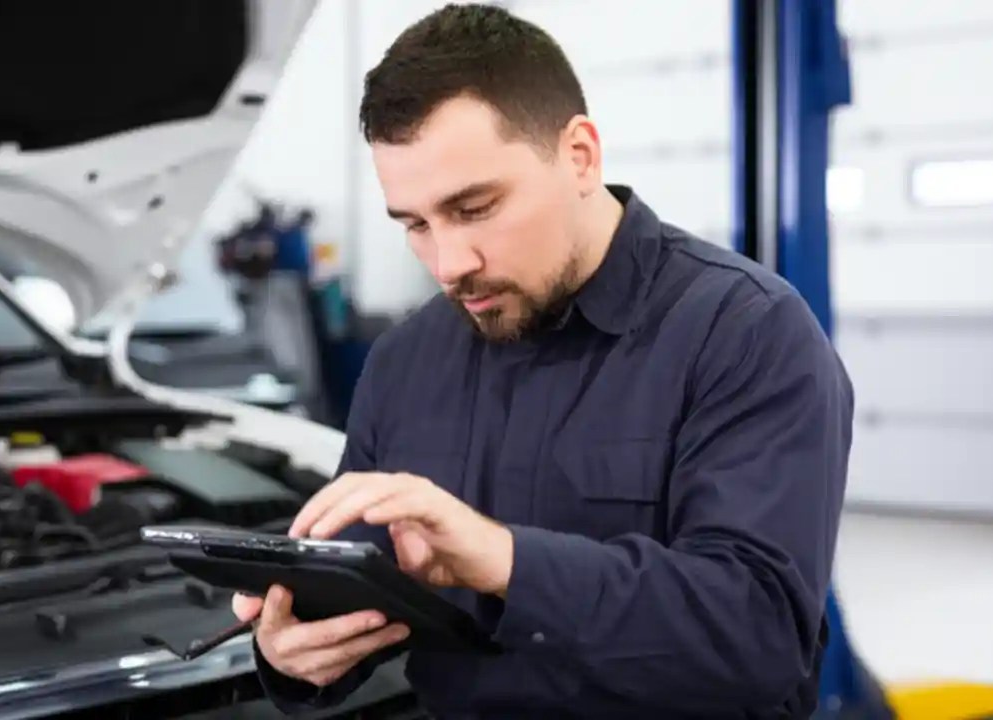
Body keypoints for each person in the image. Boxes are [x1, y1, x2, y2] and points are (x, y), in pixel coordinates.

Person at [232, 4, 854, 718]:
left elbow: (757, 638)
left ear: (580, 156)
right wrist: (292, 650)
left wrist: (504, 560)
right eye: (416, 224)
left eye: (474, 208)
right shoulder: (404, 362)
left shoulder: (745, 333)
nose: (448, 263)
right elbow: (364, 592)